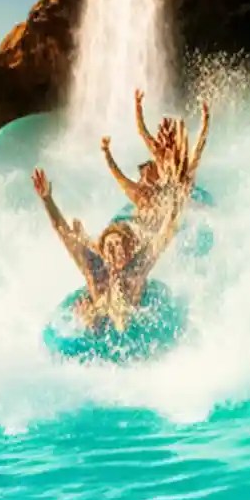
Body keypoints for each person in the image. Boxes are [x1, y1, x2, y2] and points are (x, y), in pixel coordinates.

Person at [32, 115, 202, 334]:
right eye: (109, 247)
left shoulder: (137, 267)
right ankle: (92, 319)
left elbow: (166, 234)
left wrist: (179, 197)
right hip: (98, 330)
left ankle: (106, 318)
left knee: (119, 304)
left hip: (127, 328)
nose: (114, 251)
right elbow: (63, 232)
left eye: (119, 245)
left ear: (130, 249)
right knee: (96, 308)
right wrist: (47, 199)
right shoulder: (95, 269)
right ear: (102, 251)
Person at [103, 90, 210, 236]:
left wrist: (205, 122)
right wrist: (138, 106)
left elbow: (198, 148)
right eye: (162, 135)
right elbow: (143, 132)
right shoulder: (159, 156)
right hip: (158, 210)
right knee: (146, 204)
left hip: (174, 211)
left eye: (168, 136)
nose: (163, 139)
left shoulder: (183, 172)